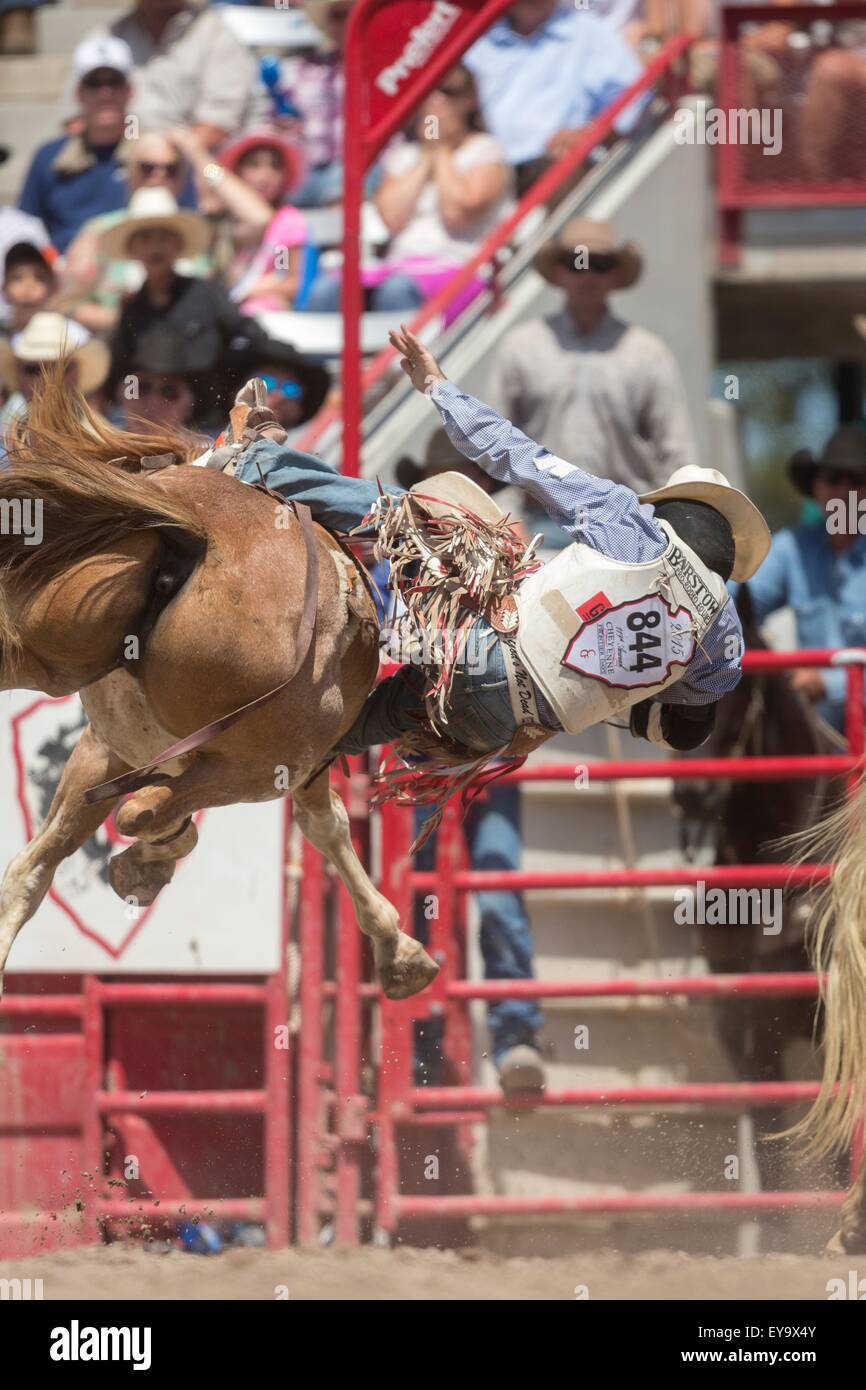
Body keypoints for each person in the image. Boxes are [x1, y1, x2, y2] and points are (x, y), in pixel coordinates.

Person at [486, 218, 697, 515]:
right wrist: (508, 517)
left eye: (599, 265)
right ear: (559, 272)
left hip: (627, 519)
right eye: (576, 263)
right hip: (538, 521)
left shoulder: (649, 353)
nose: (587, 275)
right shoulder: (520, 347)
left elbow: (676, 451)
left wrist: (672, 521)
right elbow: (496, 443)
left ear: (614, 275)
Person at [103, 187, 329, 431]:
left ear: (178, 245)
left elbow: (248, 334)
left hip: (211, 421)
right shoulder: (132, 310)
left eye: (163, 238)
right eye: (145, 239)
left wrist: (279, 368)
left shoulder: (205, 293)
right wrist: (145, 398)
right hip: (152, 423)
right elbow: (120, 371)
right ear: (132, 249)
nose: (155, 247)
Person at [306, 65, 512, 317]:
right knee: (328, 289)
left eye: (449, 91)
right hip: (401, 266)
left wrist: (442, 150)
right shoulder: (405, 155)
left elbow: (458, 213)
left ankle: (404, 357)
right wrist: (427, 153)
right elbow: (392, 219)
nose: (437, 101)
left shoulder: (486, 151)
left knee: (396, 290)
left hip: (460, 268)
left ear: (469, 99)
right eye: (429, 90)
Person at [743, 425, 866, 736]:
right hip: (816, 734)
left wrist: (828, 683)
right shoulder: (794, 548)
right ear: (817, 488)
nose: (844, 490)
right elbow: (733, 604)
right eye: (833, 478)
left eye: (857, 480)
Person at [464, 0, 645, 193]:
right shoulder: (478, 48)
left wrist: (590, 131)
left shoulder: (587, 30)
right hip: (500, 182)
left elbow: (635, 97)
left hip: (574, 168)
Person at [73, 0, 265, 149]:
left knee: (215, 176)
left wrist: (158, 160)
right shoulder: (101, 38)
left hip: (200, 168)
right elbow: (74, 123)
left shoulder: (219, 37)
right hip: (115, 164)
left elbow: (217, 127)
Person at [17, 35, 134, 253]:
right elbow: (25, 231)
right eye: (94, 83)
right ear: (79, 93)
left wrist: (200, 157)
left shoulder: (155, 154)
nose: (105, 93)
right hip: (64, 275)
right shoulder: (48, 157)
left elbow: (212, 173)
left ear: (130, 91)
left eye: (114, 82)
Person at [216, 128, 308, 315]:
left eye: (275, 166)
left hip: (263, 309)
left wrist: (249, 292)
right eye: (254, 165)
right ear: (238, 171)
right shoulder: (222, 221)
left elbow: (283, 278)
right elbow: (209, 171)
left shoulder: (286, 223)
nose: (265, 176)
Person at [0, 310, 109, 441]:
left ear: (78, 373)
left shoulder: (105, 443)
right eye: (33, 370)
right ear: (17, 374)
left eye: (59, 369)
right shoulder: (5, 440)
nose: (46, 381)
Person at [1, 242, 56, 334]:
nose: (28, 286)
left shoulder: (68, 332)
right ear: (4, 288)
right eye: (17, 278)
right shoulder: (2, 335)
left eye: (39, 278)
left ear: (52, 287)